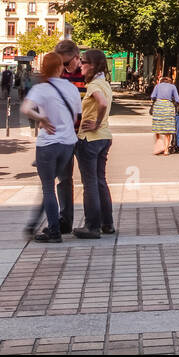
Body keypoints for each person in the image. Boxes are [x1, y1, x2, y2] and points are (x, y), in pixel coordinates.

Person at [20, 53, 80, 243]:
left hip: (48, 143)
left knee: (47, 188)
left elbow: (25, 109)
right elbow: (77, 116)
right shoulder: (71, 88)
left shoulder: (41, 89)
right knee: (57, 183)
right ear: (61, 67)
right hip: (68, 143)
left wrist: (42, 119)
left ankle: (54, 231)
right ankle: (38, 224)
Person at [72, 50, 114, 239]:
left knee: (89, 183)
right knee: (100, 181)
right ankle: (107, 224)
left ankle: (92, 226)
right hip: (104, 137)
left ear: (93, 65)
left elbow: (102, 103)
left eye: (83, 62)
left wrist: (95, 122)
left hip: (89, 138)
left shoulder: (94, 85)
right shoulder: (105, 83)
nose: (80, 65)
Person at [54, 40, 85, 234]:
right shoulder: (58, 75)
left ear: (77, 57)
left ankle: (94, 221)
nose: (64, 67)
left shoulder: (88, 74)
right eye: (61, 63)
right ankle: (65, 220)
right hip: (63, 136)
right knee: (64, 179)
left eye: (67, 63)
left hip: (82, 135)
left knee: (89, 179)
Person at [150, 73, 179, 155]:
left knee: (157, 127)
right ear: (170, 82)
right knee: (168, 129)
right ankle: (166, 150)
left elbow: (153, 96)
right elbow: (178, 100)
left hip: (158, 107)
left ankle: (159, 142)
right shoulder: (173, 87)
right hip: (168, 107)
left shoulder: (157, 86)